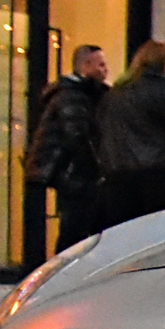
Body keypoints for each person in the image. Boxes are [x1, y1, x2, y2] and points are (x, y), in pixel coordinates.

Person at [96, 40, 165, 224]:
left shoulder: (117, 92)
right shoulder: (162, 89)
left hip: (117, 179)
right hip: (158, 178)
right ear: (161, 63)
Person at [26, 43, 109, 247]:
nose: (105, 70)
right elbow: (77, 137)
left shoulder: (86, 94)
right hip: (73, 174)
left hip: (73, 173)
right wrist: (96, 168)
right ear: (85, 66)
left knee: (77, 228)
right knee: (74, 229)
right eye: (100, 65)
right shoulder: (72, 95)